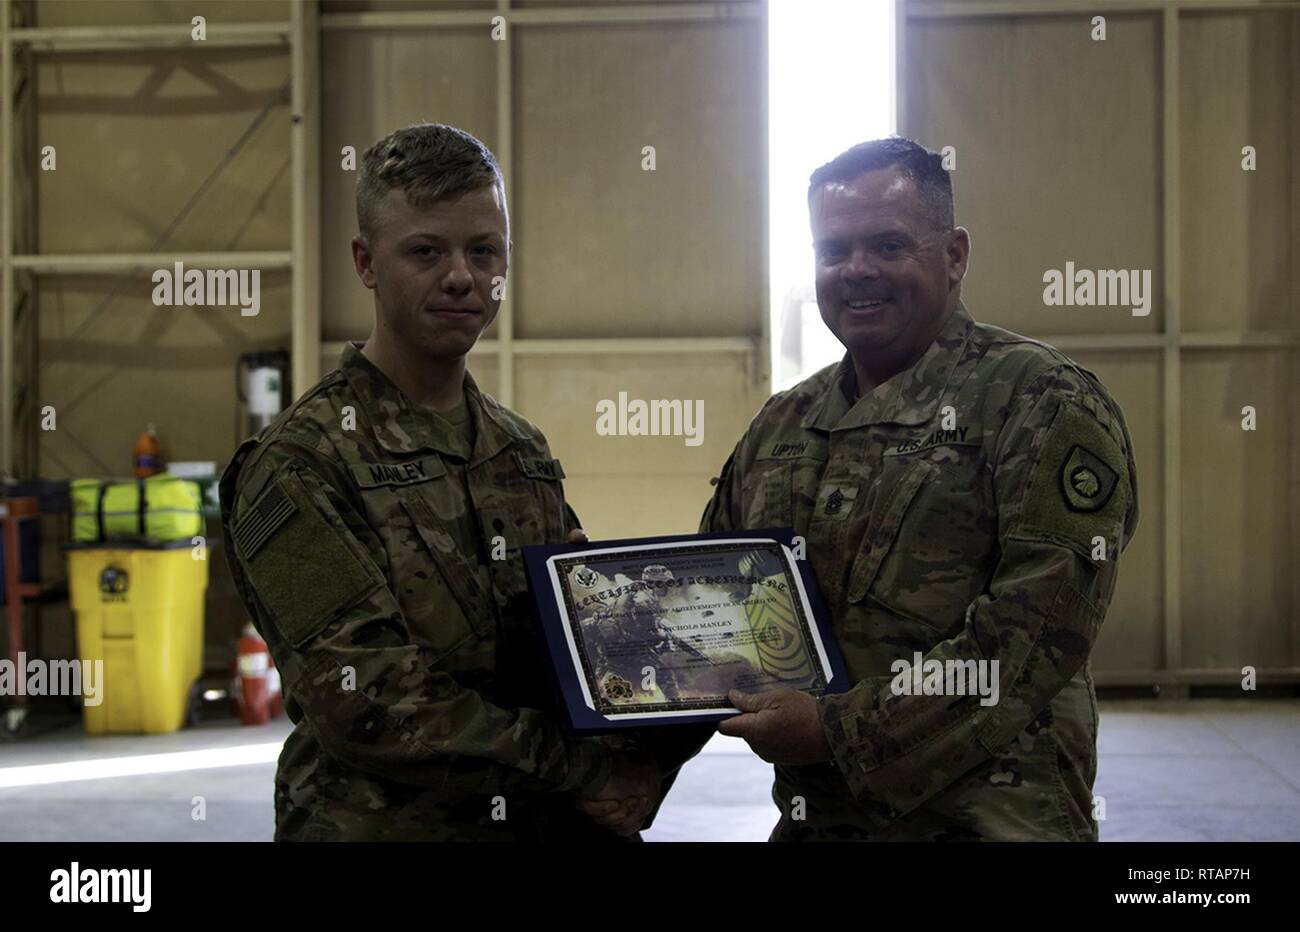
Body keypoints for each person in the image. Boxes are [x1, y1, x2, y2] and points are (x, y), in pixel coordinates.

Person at [219, 122, 693, 841]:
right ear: (366, 262)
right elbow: (368, 701)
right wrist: (585, 773)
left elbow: (576, 635)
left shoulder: (517, 448)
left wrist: (693, 681)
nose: (462, 276)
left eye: (484, 250)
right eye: (425, 251)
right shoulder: (300, 462)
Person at [706, 137, 1139, 841]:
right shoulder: (783, 424)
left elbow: (1032, 634)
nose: (856, 271)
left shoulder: (1040, 401)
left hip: (993, 825)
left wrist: (838, 731)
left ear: (955, 255)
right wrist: (604, 616)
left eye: (887, 244)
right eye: (832, 250)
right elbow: (710, 603)